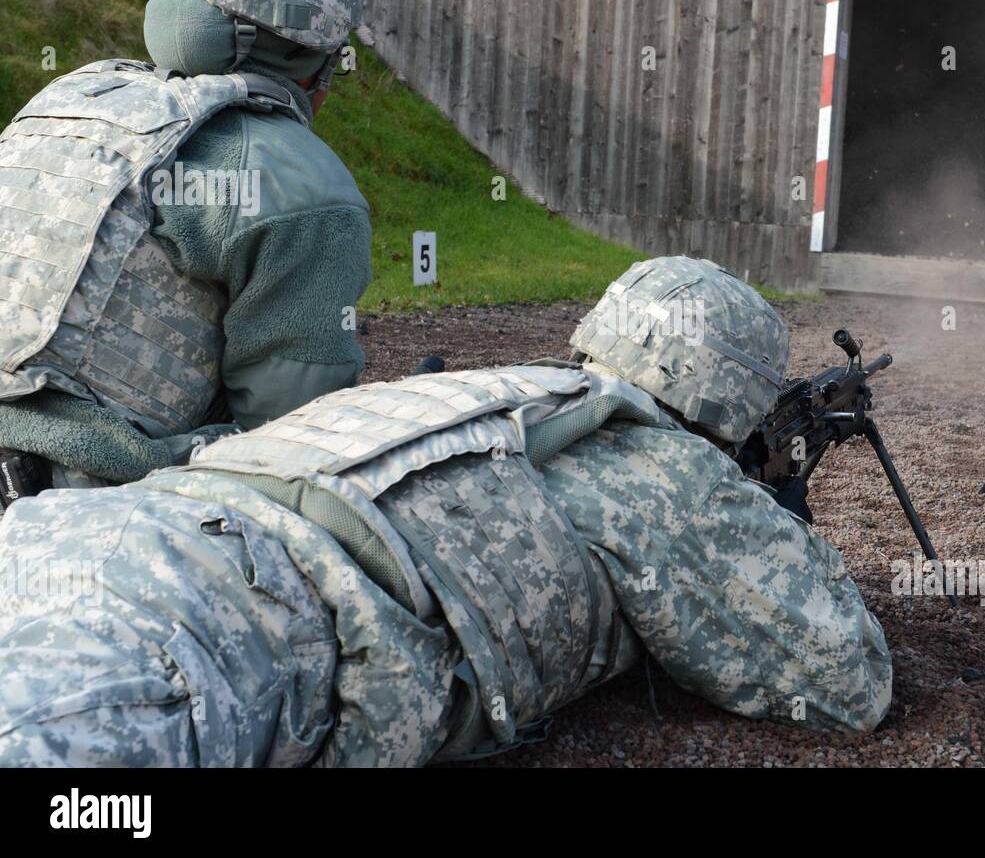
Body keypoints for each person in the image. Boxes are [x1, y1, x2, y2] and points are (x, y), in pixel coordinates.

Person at [0, 257, 892, 767]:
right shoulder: (662, 467)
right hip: (224, 627)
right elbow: (846, 680)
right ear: (726, 397)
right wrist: (768, 513)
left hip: (82, 531)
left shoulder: (480, 394)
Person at [0, 0, 371, 498]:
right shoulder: (300, 181)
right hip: (74, 529)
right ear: (320, 44)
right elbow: (289, 453)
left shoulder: (68, 100)